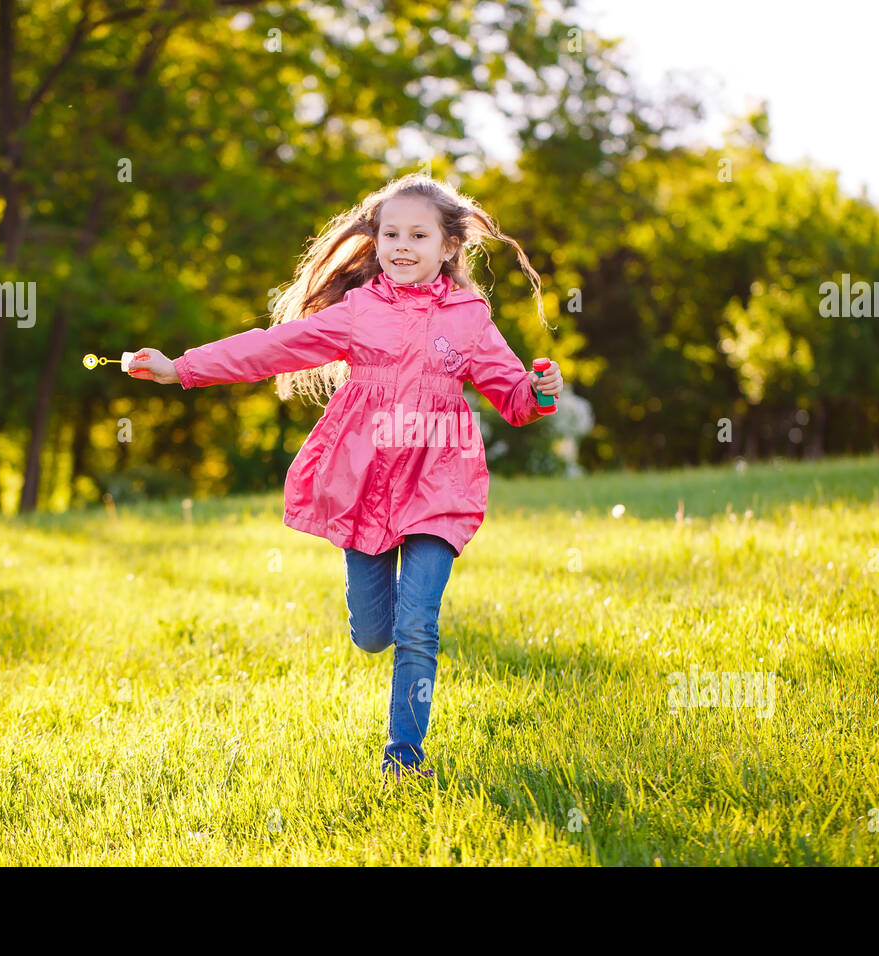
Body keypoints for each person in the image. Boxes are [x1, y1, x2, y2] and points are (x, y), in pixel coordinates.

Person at [127, 172, 563, 784]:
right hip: (365, 483)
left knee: (418, 626)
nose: (402, 246)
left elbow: (513, 398)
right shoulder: (359, 311)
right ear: (375, 241)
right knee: (374, 632)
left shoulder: (470, 319)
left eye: (418, 234)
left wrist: (540, 392)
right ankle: (378, 624)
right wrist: (182, 368)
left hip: (440, 481)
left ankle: (404, 761)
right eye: (391, 234)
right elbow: (272, 347)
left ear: (448, 248)